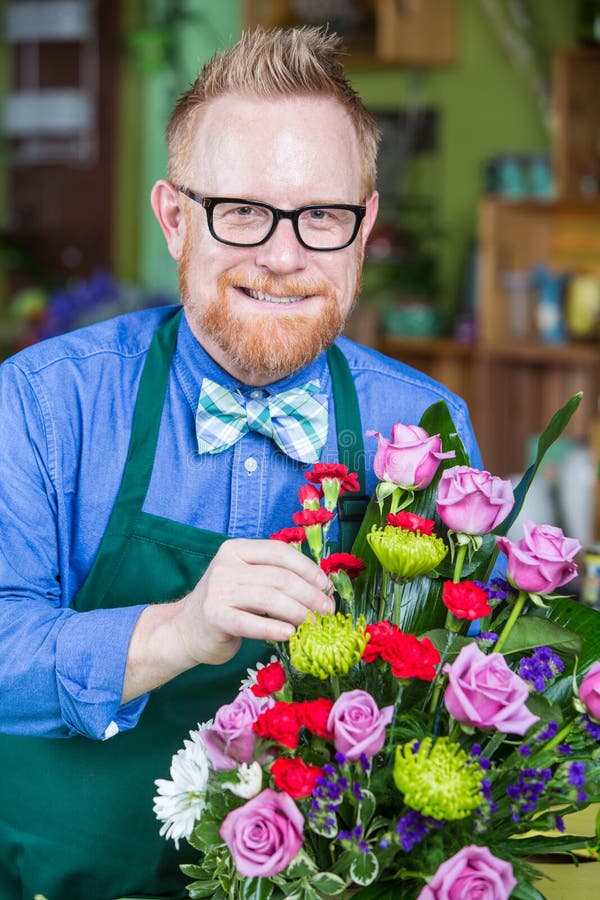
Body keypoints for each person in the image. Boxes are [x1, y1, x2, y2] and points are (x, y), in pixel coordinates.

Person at [0, 26, 483, 900]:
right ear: (176, 218)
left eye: (322, 216)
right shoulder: (40, 404)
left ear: (365, 225)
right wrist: (177, 630)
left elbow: (456, 697)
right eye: (243, 212)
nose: (284, 255)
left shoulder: (421, 425)